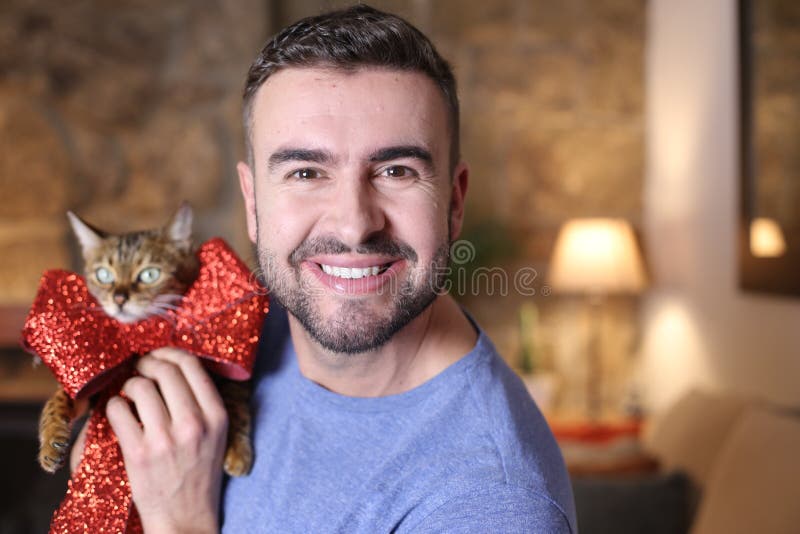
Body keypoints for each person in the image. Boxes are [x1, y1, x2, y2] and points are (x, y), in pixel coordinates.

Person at [74, 5, 577, 533]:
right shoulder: (243, 324)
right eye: (306, 171)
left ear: (453, 202)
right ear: (253, 202)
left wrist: (177, 523)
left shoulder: (490, 505)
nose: (355, 224)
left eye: (396, 170)